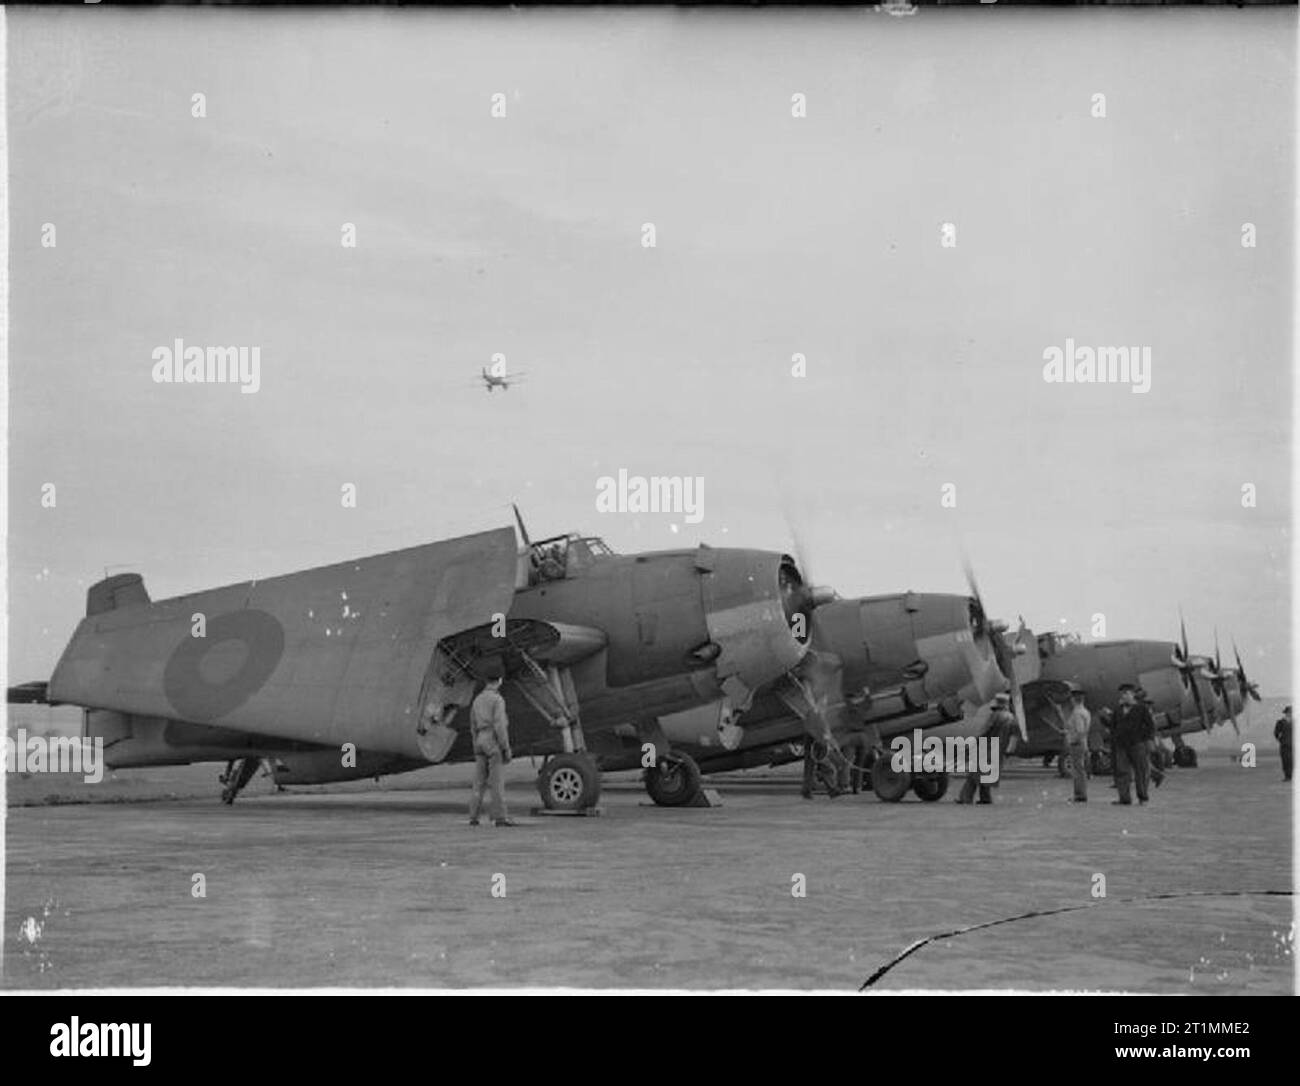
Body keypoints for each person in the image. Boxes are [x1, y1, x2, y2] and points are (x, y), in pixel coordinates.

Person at [469, 661, 516, 827]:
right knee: (497, 782)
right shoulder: (497, 700)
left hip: (480, 739)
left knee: (479, 782)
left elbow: (472, 724)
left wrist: (476, 743)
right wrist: (506, 748)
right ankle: (500, 817)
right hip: (492, 740)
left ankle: (473, 816)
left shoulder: (477, 700)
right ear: (500, 680)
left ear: (485, 680)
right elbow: (500, 726)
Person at [957, 692, 1016, 805]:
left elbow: (985, 730)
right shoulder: (1011, 717)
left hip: (986, 747)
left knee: (974, 774)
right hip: (999, 749)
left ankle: (965, 798)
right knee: (986, 775)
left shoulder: (995, 715)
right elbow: (1013, 736)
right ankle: (986, 798)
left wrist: (974, 741)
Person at [1111, 684, 1155, 806]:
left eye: (1126, 693)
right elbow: (1113, 726)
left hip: (1137, 744)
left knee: (1141, 771)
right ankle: (1124, 798)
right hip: (1121, 745)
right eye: (1122, 694)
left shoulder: (1142, 709)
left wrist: (1146, 739)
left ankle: (1143, 797)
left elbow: (1150, 726)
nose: (1123, 696)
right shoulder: (1117, 710)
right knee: (1122, 771)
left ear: (1132, 694)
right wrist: (1114, 740)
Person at [1063, 686, 1091, 802]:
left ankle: (1080, 794)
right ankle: (1081, 793)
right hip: (1083, 743)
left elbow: (1080, 731)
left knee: (1078, 770)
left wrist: (1073, 740)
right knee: (1080, 769)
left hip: (1077, 744)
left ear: (1074, 699)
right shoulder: (1085, 711)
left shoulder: (1077, 713)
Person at [1275, 705, 1293, 781]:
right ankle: (1288, 776)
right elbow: (1276, 733)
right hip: (1285, 745)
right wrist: (1281, 740)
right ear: (1286, 713)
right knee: (1286, 761)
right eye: (1289, 712)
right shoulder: (1281, 722)